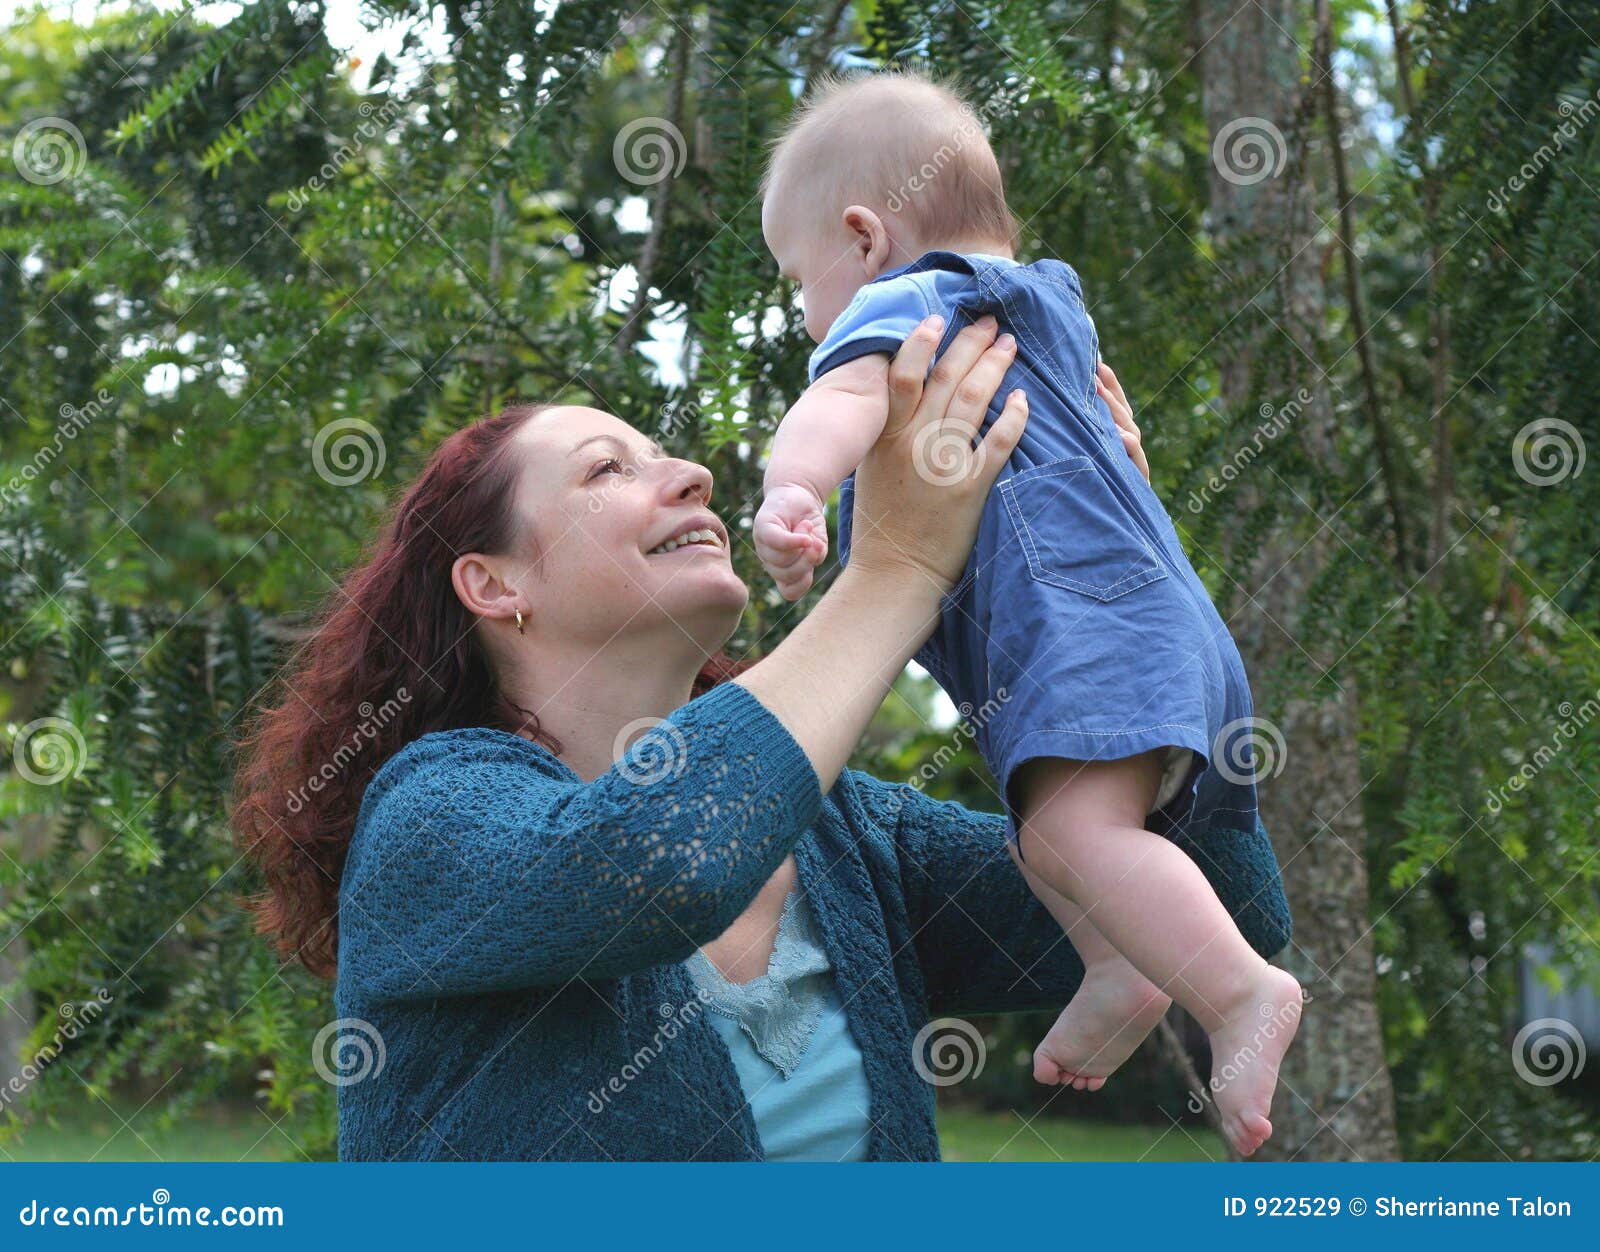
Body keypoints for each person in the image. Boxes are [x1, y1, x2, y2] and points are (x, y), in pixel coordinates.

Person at [231, 319, 1293, 1162]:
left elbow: (1228, 895)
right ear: (494, 584)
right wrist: (894, 574)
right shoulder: (428, 817)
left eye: (665, 454)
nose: (691, 474)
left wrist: (1125, 580)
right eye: (606, 470)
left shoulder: (848, 836)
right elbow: (660, 863)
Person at [752, 69, 1302, 1157]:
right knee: (1047, 840)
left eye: (797, 281)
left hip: (1090, 629)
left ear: (863, 238)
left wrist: (792, 491)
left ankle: (1239, 990)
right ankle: (1118, 962)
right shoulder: (1049, 308)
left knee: (1068, 832)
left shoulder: (907, 302)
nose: (806, 311)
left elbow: (842, 397)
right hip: (1163, 620)